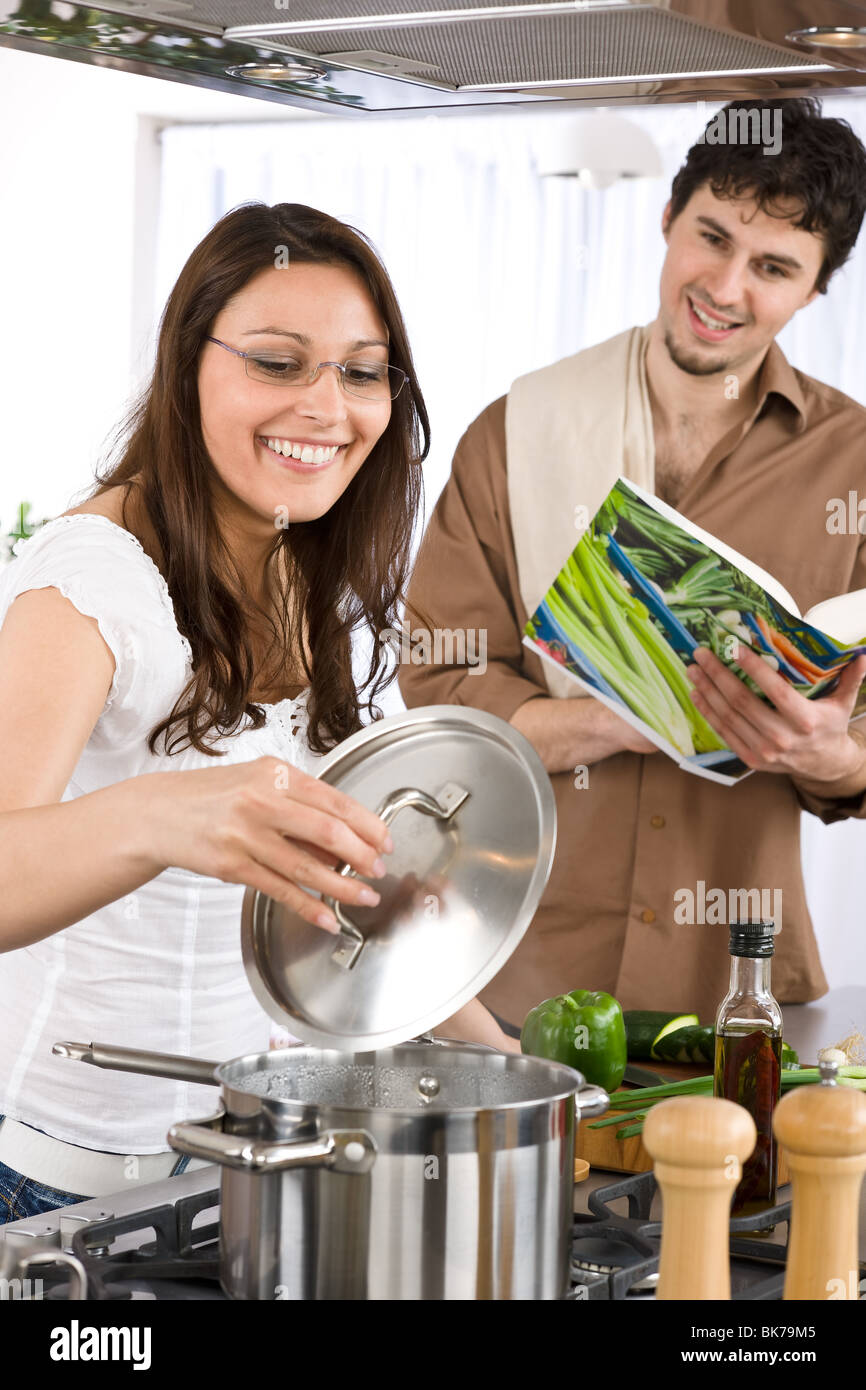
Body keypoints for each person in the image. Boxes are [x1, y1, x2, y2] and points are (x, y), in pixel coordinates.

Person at [0, 202, 516, 1224]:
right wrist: (160, 815)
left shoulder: (304, 566)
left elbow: (346, 877)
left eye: (362, 372)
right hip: (70, 1186)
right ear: (191, 363)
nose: (327, 406)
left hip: (258, 1160)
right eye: (279, 362)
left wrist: (496, 1058)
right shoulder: (95, 577)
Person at [399, 98, 866, 1032]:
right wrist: (622, 721)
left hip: (741, 992)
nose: (727, 287)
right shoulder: (520, 430)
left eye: (773, 267)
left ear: (815, 291)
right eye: (712, 237)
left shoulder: (853, 464)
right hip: (515, 983)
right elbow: (439, 681)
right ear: (667, 219)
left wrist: (832, 755)